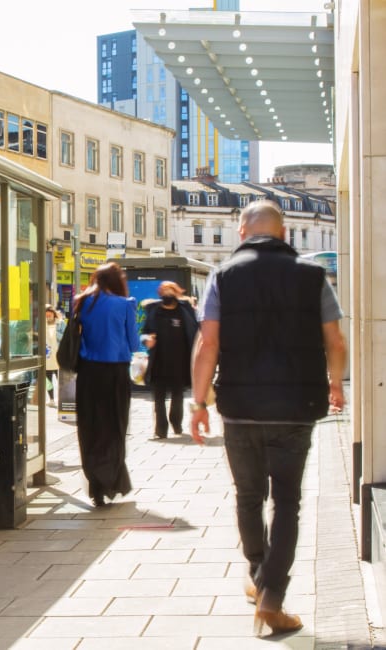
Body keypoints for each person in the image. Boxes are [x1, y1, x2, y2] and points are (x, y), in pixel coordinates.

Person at [190, 199, 346, 636]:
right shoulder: (314, 277)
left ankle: (259, 575)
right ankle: (271, 595)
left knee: (247, 495)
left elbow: (208, 344)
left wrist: (199, 404)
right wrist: (335, 383)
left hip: (239, 408)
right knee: (288, 502)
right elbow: (335, 340)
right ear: (284, 234)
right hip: (296, 408)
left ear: (241, 232)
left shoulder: (223, 276)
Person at [72, 262, 140, 508]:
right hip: (115, 374)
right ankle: (112, 479)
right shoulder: (125, 305)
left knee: (91, 428)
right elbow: (133, 343)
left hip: (88, 375)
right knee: (114, 427)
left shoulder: (82, 302)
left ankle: (96, 486)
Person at [141, 281, 198, 439]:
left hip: (180, 362)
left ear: (176, 293)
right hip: (158, 361)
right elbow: (144, 333)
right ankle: (161, 429)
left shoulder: (185, 311)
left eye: (169, 291)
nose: (166, 294)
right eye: (163, 291)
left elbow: (195, 331)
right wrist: (147, 340)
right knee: (158, 398)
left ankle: (176, 423)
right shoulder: (154, 311)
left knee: (177, 396)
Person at [44, 305, 64, 407]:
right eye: (46, 315)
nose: (48, 317)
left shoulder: (60, 323)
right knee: (48, 380)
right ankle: (51, 399)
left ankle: (62, 398)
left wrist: (55, 332)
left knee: (60, 378)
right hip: (47, 356)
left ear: (54, 314)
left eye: (50, 314)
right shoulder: (42, 325)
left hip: (58, 356)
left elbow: (64, 337)